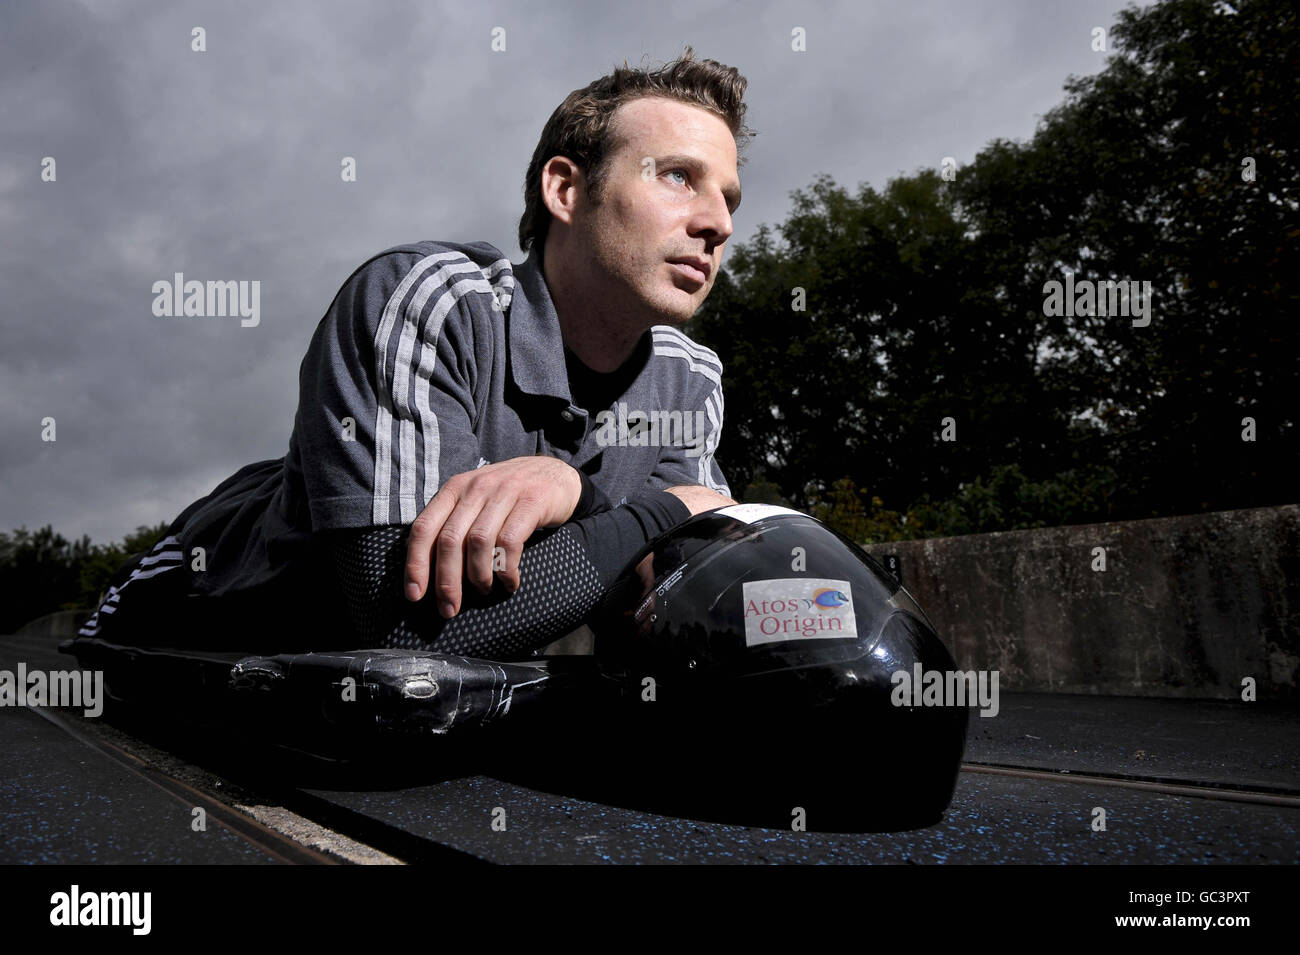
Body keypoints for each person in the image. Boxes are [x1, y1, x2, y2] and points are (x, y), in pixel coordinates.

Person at [77, 47, 753, 659]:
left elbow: (677, 607)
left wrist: (589, 508)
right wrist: (638, 506)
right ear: (566, 190)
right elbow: (410, 628)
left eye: (727, 197)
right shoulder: (425, 299)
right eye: (676, 177)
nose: (717, 223)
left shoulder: (689, 379)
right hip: (187, 614)